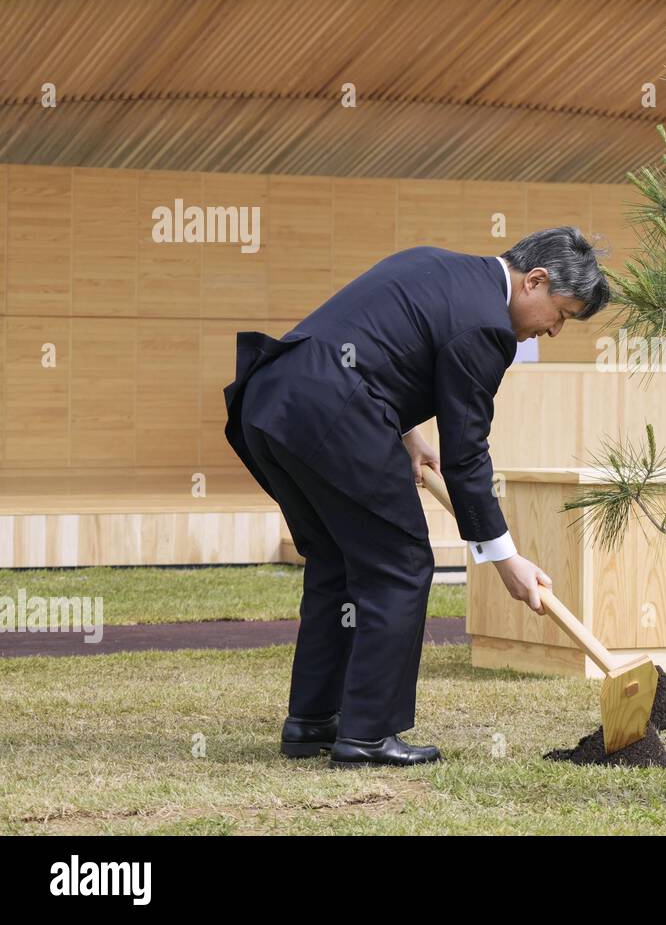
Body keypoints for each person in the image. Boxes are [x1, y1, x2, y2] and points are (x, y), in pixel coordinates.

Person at [223, 227, 609, 767]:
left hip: (273, 404)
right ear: (535, 281)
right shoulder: (486, 327)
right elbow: (467, 455)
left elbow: (374, 349)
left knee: (338, 560)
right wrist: (504, 558)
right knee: (399, 564)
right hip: (332, 415)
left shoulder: (436, 263)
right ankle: (368, 734)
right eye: (562, 314)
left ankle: (312, 722)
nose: (553, 330)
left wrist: (408, 436)